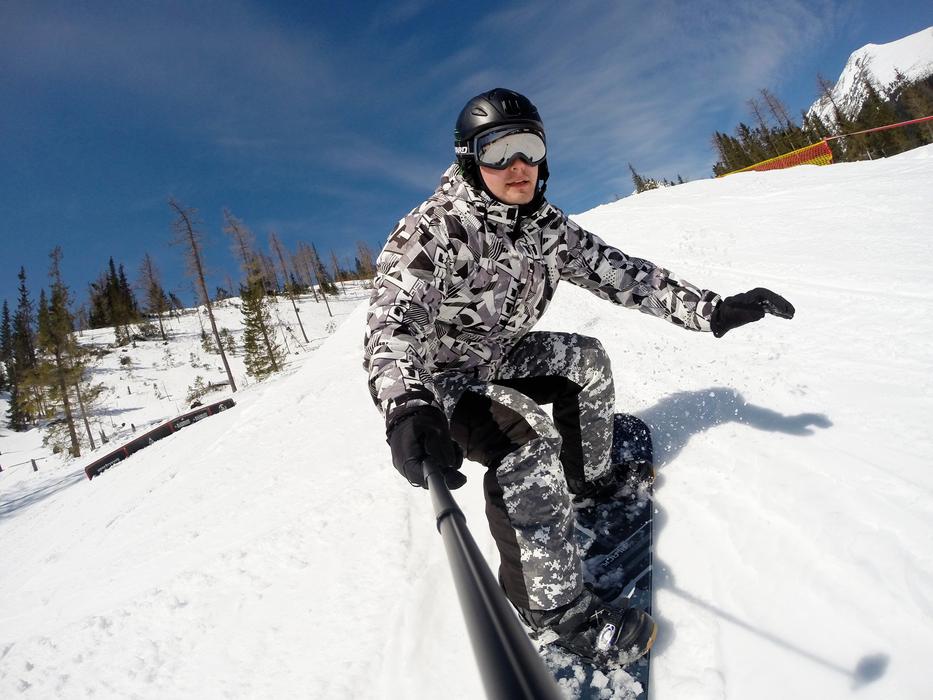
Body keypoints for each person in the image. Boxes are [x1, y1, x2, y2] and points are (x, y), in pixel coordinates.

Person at [363, 88, 794, 665]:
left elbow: (625, 276)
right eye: (498, 151)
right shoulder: (435, 232)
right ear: (471, 160)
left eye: (529, 148)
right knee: (524, 447)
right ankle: (556, 614)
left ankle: (584, 480)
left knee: (584, 360)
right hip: (440, 381)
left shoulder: (547, 229)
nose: (517, 166)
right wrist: (409, 406)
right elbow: (392, 323)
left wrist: (711, 309)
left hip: (497, 353)